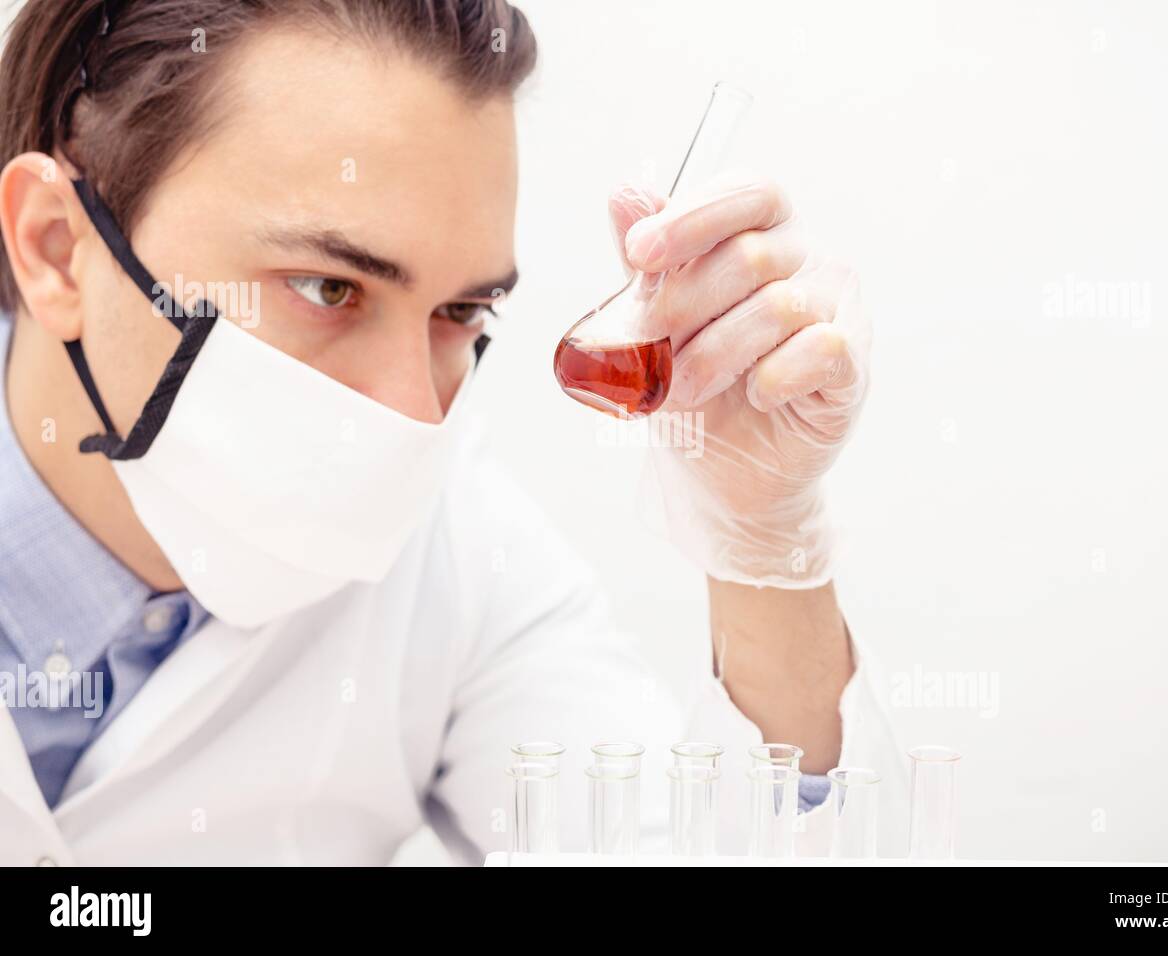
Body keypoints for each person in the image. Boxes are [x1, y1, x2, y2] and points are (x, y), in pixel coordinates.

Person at [0, 0, 900, 864]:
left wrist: (763, 545)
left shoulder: (455, 552)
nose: (413, 413)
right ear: (54, 248)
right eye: (327, 288)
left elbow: (680, 848)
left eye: (461, 310)